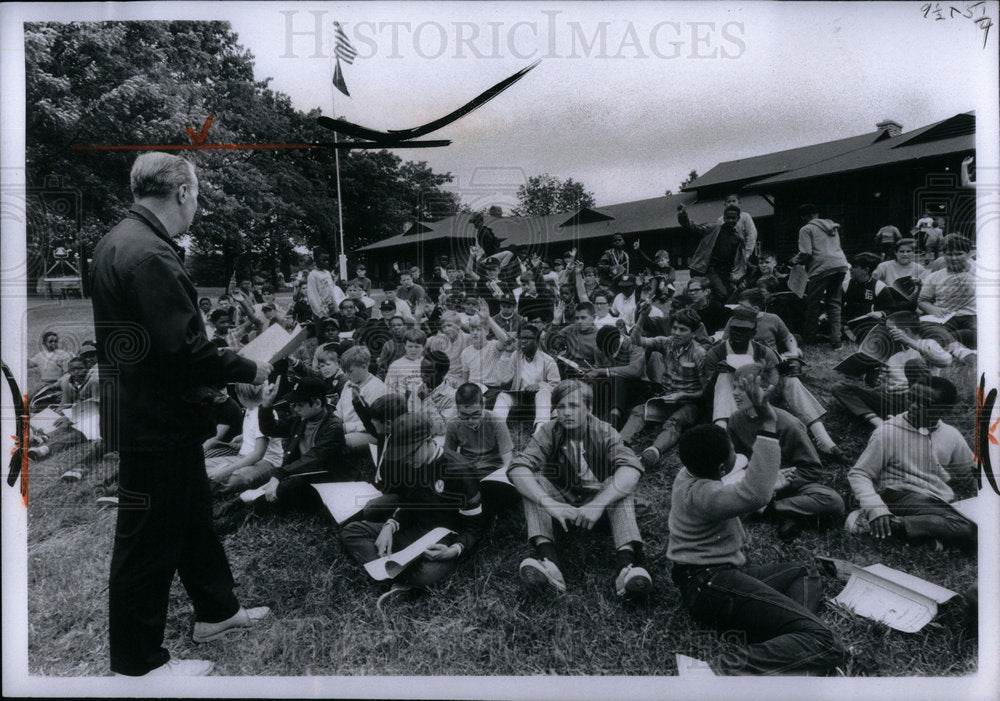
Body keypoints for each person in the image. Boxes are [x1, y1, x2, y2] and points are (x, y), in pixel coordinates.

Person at [90, 152, 272, 676]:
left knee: (193, 519)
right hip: (156, 421)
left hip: (150, 412)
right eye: (198, 193)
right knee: (146, 543)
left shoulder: (120, 240)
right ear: (184, 194)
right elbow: (183, 353)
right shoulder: (150, 254)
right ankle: (138, 665)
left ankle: (217, 611)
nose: (198, 202)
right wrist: (249, 367)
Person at [668, 414, 845, 675]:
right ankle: (713, 672)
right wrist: (768, 427)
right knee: (826, 642)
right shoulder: (706, 495)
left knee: (805, 572)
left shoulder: (688, 474)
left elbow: (739, 470)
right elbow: (755, 494)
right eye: (731, 450)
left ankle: (791, 642)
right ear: (719, 469)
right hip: (710, 586)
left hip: (709, 578)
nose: (736, 452)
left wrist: (763, 476)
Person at [507, 380, 651, 598]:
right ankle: (549, 562)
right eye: (561, 407)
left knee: (619, 483)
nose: (566, 413)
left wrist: (599, 504)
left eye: (573, 406)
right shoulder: (550, 430)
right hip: (564, 505)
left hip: (600, 507)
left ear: (589, 408)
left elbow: (631, 468)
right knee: (531, 479)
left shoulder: (604, 431)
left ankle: (627, 567)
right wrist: (550, 504)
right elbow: (518, 467)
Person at [341, 413, 486, 591]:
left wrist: (453, 550)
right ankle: (395, 574)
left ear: (429, 441)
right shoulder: (407, 464)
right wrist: (389, 526)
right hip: (414, 528)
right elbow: (407, 503)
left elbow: (474, 527)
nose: (407, 459)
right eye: (401, 454)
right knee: (351, 531)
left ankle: (392, 573)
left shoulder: (461, 471)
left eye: (410, 453)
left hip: (444, 538)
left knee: (427, 575)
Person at [846, 377, 976, 550]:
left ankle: (924, 537)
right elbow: (860, 474)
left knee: (983, 529)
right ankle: (882, 523)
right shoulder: (887, 432)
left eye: (925, 404)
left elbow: (971, 473)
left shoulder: (951, 435)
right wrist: (875, 508)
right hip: (898, 494)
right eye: (912, 399)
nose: (914, 406)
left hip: (935, 500)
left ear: (945, 410)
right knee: (967, 528)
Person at [727, 362, 845, 541]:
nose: (735, 393)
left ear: (764, 391)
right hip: (756, 482)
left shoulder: (788, 424)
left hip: (790, 486)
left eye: (742, 389)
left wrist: (780, 480)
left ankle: (771, 510)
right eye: (734, 387)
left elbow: (812, 469)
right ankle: (789, 515)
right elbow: (738, 460)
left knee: (832, 500)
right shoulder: (735, 420)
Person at [831, 311, 951, 429]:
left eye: (889, 329)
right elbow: (885, 384)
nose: (886, 332)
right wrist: (879, 382)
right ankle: (879, 424)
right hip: (895, 401)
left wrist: (909, 341)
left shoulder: (927, 344)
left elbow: (945, 361)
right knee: (840, 388)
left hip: (920, 401)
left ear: (906, 331)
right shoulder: (891, 352)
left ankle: (918, 419)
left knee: (914, 364)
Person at [621, 308, 706, 467]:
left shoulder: (699, 353)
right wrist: (642, 316)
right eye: (674, 328)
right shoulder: (666, 343)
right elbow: (636, 341)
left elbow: (705, 391)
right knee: (639, 411)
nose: (677, 333)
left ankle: (653, 451)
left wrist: (681, 395)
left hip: (689, 403)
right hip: (666, 399)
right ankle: (619, 444)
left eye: (683, 330)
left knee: (674, 422)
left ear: (693, 333)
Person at [257, 376, 350, 505]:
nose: (295, 409)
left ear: (317, 403)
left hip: (325, 479)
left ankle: (247, 506)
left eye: (300, 405)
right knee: (263, 478)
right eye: (294, 404)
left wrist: (280, 474)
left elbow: (314, 458)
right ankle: (236, 504)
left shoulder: (333, 427)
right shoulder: (300, 419)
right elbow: (270, 429)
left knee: (283, 487)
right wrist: (266, 404)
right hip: (299, 472)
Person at [445, 383, 519, 510]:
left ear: (483, 405)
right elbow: (448, 457)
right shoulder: (453, 424)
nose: (470, 420)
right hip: (468, 470)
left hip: (492, 469)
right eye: (464, 415)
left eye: (475, 414)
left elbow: (508, 460)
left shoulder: (496, 421)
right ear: (457, 410)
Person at [204, 383, 284, 494]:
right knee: (202, 464)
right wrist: (243, 437)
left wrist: (225, 471)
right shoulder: (250, 408)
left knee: (231, 479)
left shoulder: (263, 413)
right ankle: (205, 483)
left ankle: (204, 487)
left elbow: (258, 454)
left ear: (242, 396)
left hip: (267, 462)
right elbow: (257, 433)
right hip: (244, 456)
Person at [792, 204, 849, 349]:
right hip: (840, 264)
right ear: (816, 213)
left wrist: (794, 260)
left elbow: (806, 252)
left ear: (804, 217)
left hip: (821, 268)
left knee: (813, 304)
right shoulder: (832, 227)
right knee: (834, 303)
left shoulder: (806, 229)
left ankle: (809, 339)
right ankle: (836, 340)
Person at [493, 324, 560, 432]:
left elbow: (556, 385)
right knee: (503, 396)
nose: (523, 341)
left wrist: (539, 386)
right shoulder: (515, 355)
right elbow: (503, 379)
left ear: (537, 341)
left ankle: (540, 431)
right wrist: (506, 354)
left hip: (539, 401)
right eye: (521, 338)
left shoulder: (548, 360)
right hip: (520, 397)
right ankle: (496, 429)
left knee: (544, 393)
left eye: (528, 338)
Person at [917, 234, 976, 358]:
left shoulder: (980, 273)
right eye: (949, 254)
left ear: (969, 253)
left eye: (959, 254)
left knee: (987, 330)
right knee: (924, 326)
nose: (953, 258)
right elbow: (922, 300)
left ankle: (944, 340)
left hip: (973, 316)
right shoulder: (935, 276)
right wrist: (934, 309)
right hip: (945, 317)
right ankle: (959, 349)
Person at [678, 202, 747, 302]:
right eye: (728, 218)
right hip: (709, 269)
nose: (730, 220)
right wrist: (682, 215)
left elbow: (738, 259)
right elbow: (692, 227)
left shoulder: (738, 238)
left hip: (725, 272)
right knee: (722, 294)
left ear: (738, 218)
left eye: (733, 218)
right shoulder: (713, 228)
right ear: (724, 218)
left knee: (729, 294)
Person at [335, 345, 388, 451]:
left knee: (339, 441)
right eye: (344, 371)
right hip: (347, 429)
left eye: (350, 371)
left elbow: (376, 424)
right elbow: (339, 411)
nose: (346, 375)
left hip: (370, 434)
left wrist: (346, 427)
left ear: (364, 366)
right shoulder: (348, 384)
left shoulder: (377, 388)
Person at [383, 328, 428, 397]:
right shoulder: (396, 365)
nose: (413, 350)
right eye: (410, 346)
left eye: (417, 347)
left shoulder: (427, 363)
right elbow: (389, 389)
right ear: (405, 346)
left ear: (423, 347)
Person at [714, 193, 758, 263]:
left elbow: (751, 235)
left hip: (743, 251)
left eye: (734, 201)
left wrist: (748, 253)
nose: (731, 203)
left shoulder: (745, 217)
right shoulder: (720, 220)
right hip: (727, 253)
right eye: (729, 202)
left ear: (739, 203)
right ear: (725, 204)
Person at [306, 248, 345, 320]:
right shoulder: (312, 275)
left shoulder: (327, 273)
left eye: (327, 260)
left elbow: (331, 292)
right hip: (320, 312)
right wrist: (320, 313)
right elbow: (312, 296)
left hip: (331, 308)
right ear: (315, 260)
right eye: (323, 260)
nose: (326, 262)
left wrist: (336, 308)